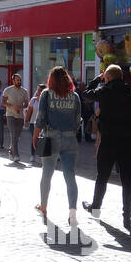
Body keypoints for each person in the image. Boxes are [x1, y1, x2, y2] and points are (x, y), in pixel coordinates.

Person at [84, 65, 131, 232]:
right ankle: (127, 218)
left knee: (102, 176)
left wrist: (97, 80)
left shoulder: (103, 92)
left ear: (107, 78)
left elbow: (86, 93)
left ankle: (95, 206)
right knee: (127, 180)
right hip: (128, 142)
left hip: (108, 140)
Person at [36, 67, 81, 229]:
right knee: (70, 176)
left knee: (46, 174)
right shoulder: (74, 96)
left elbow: (40, 119)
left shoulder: (46, 94)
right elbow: (78, 120)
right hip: (70, 138)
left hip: (50, 137)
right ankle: (72, 213)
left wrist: (35, 138)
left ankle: (43, 206)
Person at [1, 74, 29, 163]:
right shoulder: (7, 90)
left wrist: (22, 107)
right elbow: (3, 102)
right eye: (17, 80)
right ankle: (16, 155)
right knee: (13, 134)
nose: (19, 82)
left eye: (20, 80)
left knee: (17, 136)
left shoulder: (24, 91)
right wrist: (12, 106)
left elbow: (27, 103)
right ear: (13, 81)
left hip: (20, 116)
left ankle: (11, 149)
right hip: (10, 115)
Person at [24, 82, 44, 163]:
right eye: (38, 90)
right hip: (33, 123)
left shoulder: (46, 100)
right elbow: (29, 111)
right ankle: (32, 155)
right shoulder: (33, 100)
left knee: (42, 139)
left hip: (43, 124)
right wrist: (26, 121)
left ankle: (42, 157)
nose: (38, 91)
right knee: (34, 139)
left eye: (40, 90)